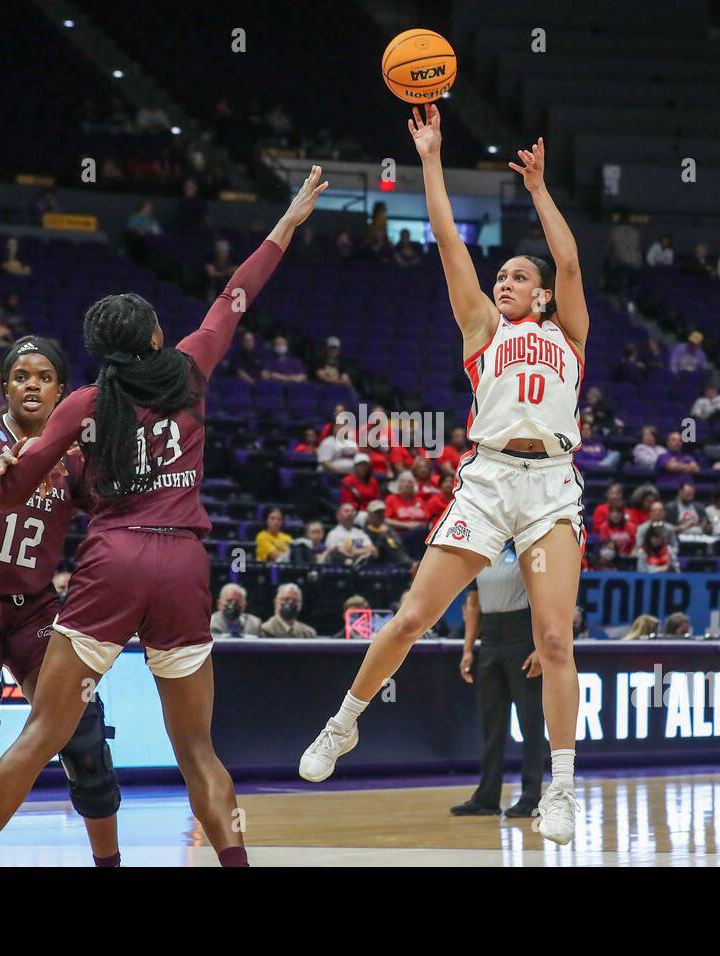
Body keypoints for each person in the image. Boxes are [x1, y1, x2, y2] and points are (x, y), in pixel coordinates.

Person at [0, 165, 327, 868]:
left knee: (39, 737)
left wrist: (11, 470)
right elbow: (235, 296)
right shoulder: (189, 370)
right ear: (152, 339)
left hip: (112, 563)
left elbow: (7, 494)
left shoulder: (81, 404)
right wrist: (288, 221)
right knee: (199, 754)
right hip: (182, 563)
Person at [298, 111, 587, 845]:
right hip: (489, 481)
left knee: (554, 640)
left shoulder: (567, 334)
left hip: (551, 486)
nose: (507, 280)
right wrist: (429, 160)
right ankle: (343, 725)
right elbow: (448, 242)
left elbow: (571, 260)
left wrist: (541, 190)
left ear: (545, 296)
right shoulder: (484, 331)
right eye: (504, 276)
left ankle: (560, 790)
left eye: (521, 276)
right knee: (411, 617)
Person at [0, 336, 124, 866]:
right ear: (4, 387)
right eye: (20, 375)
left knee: (84, 736)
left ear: (61, 390)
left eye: (44, 376)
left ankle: (110, 862)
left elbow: (111, 513)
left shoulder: (74, 459)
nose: (32, 383)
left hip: (34, 608)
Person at [453, 542, 545, 818]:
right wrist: (468, 649)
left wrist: (540, 647)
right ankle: (487, 798)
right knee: (491, 721)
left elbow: (544, 599)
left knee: (530, 720)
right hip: (490, 637)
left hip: (522, 634)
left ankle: (531, 797)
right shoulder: (485, 552)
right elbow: (473, 603)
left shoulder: (529, 550)